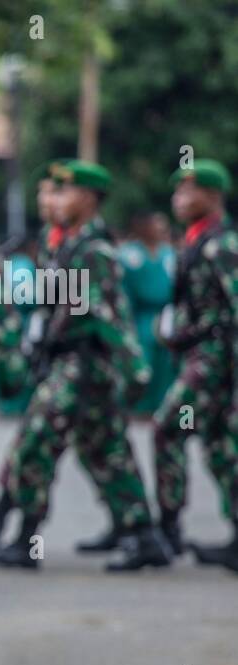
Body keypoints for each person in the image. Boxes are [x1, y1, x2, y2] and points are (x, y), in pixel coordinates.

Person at [0, 160, 170, 571]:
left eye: (62, 192)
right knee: (105, 449)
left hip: (84, 363)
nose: (52, 201)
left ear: (88, 199)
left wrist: (133, 368)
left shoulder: (94, 250)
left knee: (37, 441)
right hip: (72, 361)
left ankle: (22, 538)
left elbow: (107, 314)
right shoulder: (64, 245)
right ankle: (142, 535)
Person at [153, 159, 238, 567]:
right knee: (220, 446)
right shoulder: (194, 241)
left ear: (214, 196)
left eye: (190, 192)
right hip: (200, 355)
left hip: (214, 360)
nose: (179, 200)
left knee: (170, 426)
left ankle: (168, 529)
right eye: (177, 192)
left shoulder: (223, 244)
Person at [121, 212, 177, 416]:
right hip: (140, 317)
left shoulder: (169, 254)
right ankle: (139, 407)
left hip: (165, 316)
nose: (161, 231)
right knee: (143, 361)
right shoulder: (129, 254)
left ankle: (160, 406)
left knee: (166, 363)